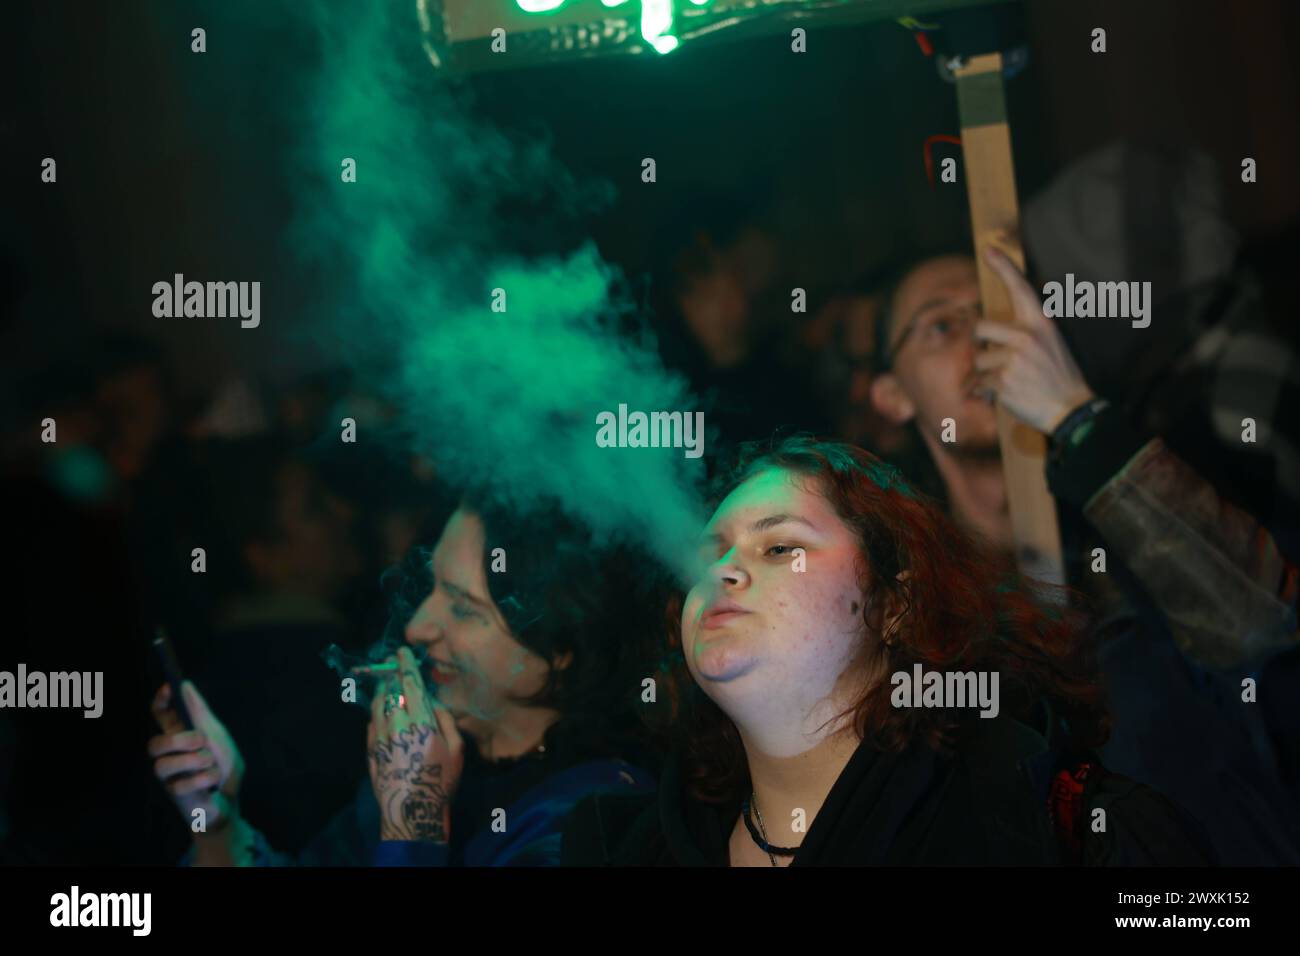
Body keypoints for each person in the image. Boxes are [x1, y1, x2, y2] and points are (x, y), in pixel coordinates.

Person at [563, 436, 1211, 866]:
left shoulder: (1061, 828)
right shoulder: (622, 849)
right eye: (709, 554)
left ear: (896, 605)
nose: (723, 572)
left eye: (779, 547)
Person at [865, 244, 1300, 863]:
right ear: (892, 395)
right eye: (943, 325)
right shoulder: (919, 606)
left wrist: (1079, 420)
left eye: (997, 314)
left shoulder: (1145, 493)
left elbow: (1264, 624)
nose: (986, 342)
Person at [148, 497, 663, 866]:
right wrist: (219, 829)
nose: (418, 626)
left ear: (562, 649)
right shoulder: (430, 762)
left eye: (464, 609)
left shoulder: (595, 819)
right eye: (434, 587)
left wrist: (413, 825)